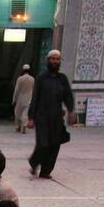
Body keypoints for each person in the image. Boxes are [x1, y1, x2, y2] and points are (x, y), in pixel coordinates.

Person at [28, 50, 76, 179]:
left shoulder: (62, 79)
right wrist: (31, 117)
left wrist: (71, 110)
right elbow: (35, 98)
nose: (55, 61)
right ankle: (34, 162)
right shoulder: (41, 78)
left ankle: (46, 171)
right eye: (53, 59)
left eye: (57, 59)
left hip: (56, 117)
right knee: (43, 144)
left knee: (54, 145)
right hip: (42, 117)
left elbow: (68, 96)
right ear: (48, 60)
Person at [13, 64, 35, 133]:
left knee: (18, 113)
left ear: (23, 70)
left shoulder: (20, 79)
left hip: (20, 99)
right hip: (28, 99)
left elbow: (16, 90)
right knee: (25, 113)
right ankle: (24, 128)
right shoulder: (32, 79)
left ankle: (19, 127)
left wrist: (14, 99)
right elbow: (34, 90)